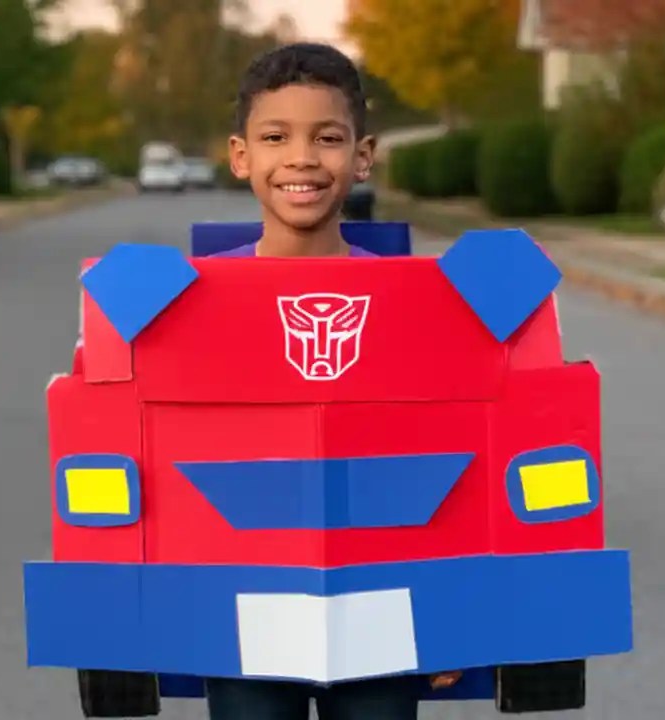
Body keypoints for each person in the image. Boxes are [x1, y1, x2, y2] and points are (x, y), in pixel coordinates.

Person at [203, 41, 463, 720]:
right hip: (246, 609)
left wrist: (456, 615)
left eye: (326, 138)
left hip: (378, 610)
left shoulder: (419, 304)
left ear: (363, 155)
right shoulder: (194, 304)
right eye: (274, 137)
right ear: (240, 156)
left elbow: (446, 453)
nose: (300, 158)